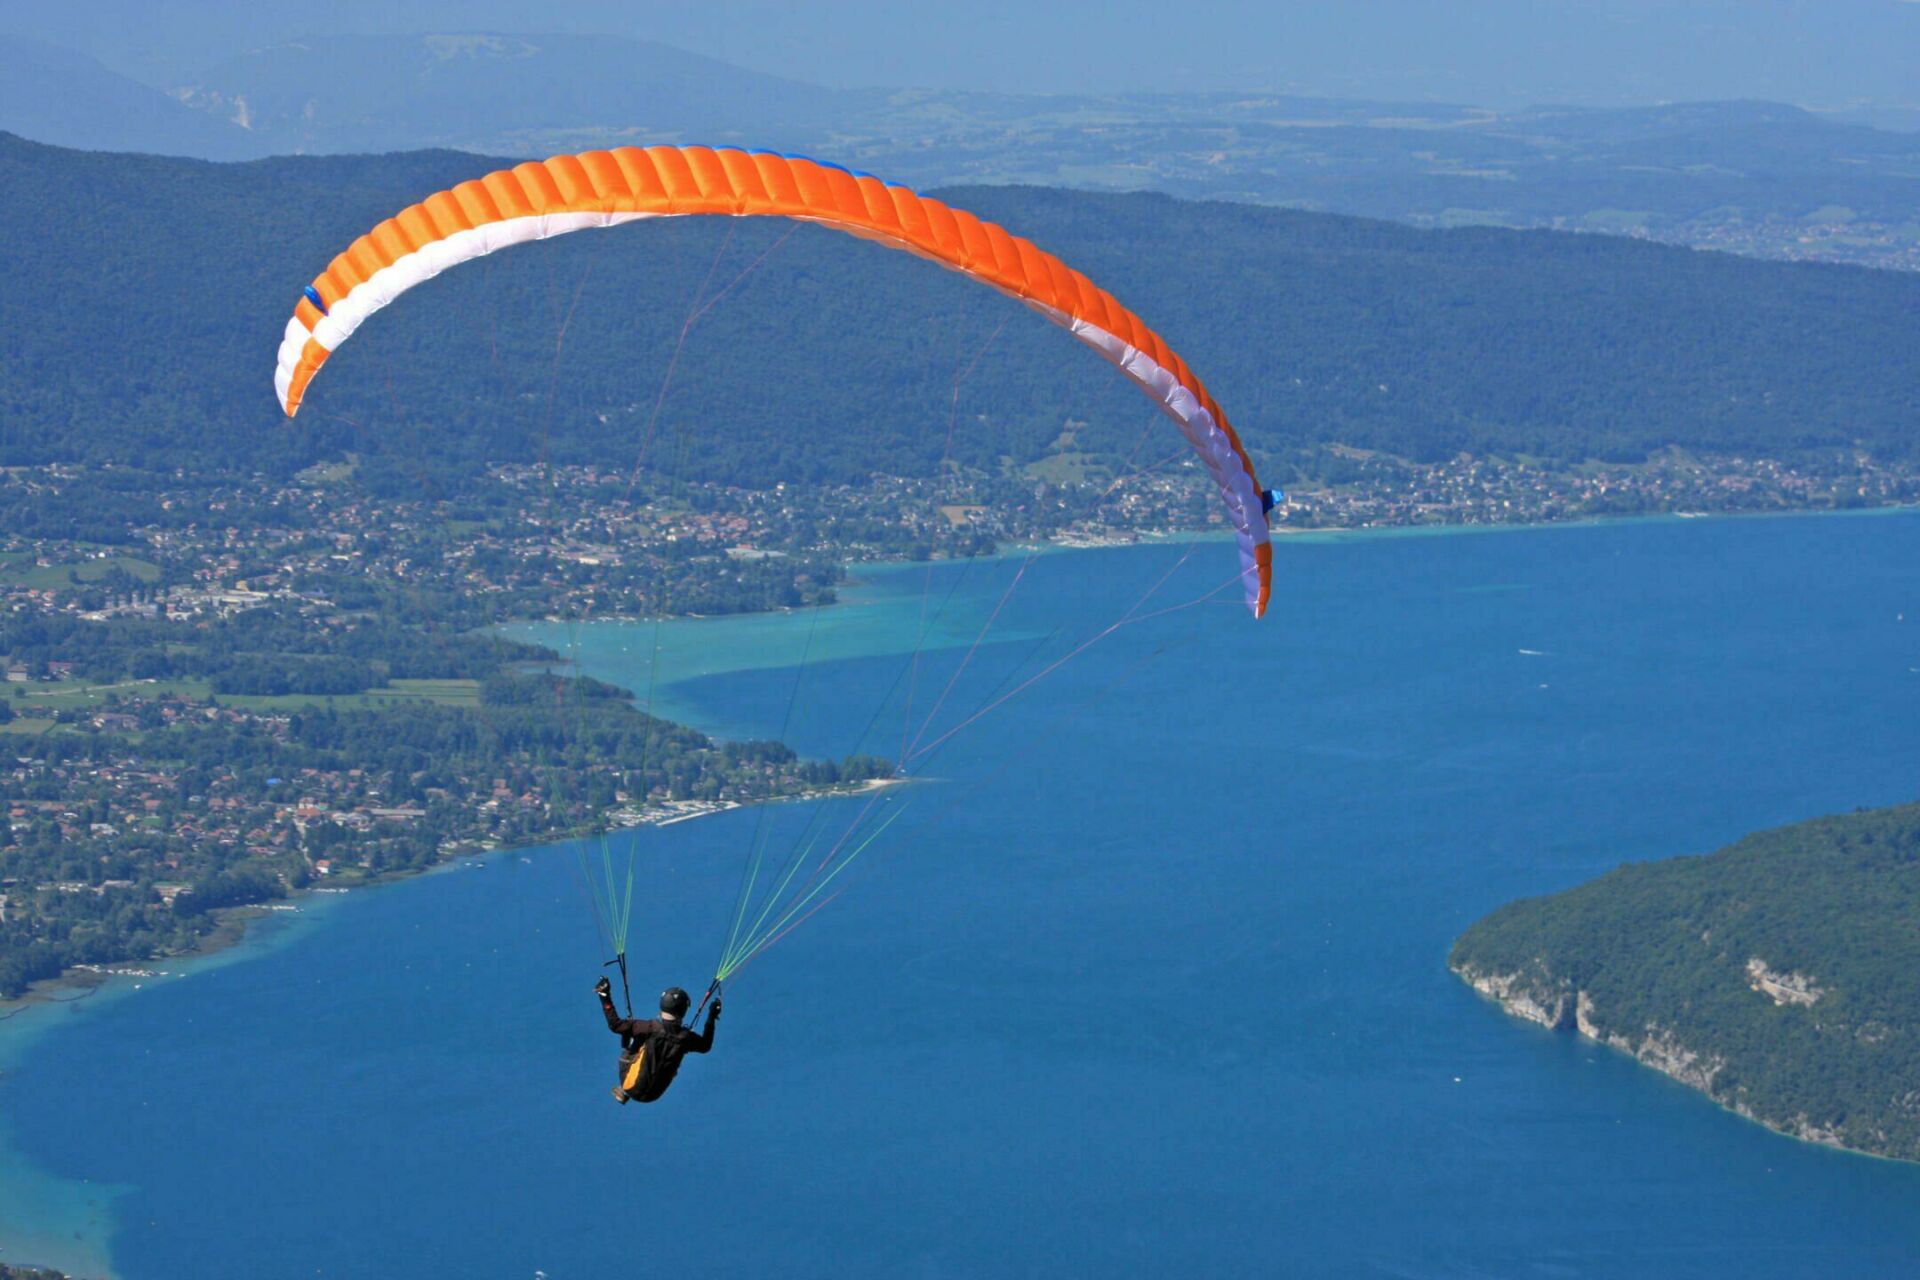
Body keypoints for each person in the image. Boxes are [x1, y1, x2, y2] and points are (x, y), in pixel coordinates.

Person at [596, 977, 719, 1105]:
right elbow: (705, 1046)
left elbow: (615, 1025)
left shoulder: (650, 1027)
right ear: (683, 1011)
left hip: (630, 1085)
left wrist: (604, 995)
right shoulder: (686, 1038)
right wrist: (711, 1017)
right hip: (653, 1095)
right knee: (641, 1036)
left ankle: (629, 1056)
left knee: (633, 1035)